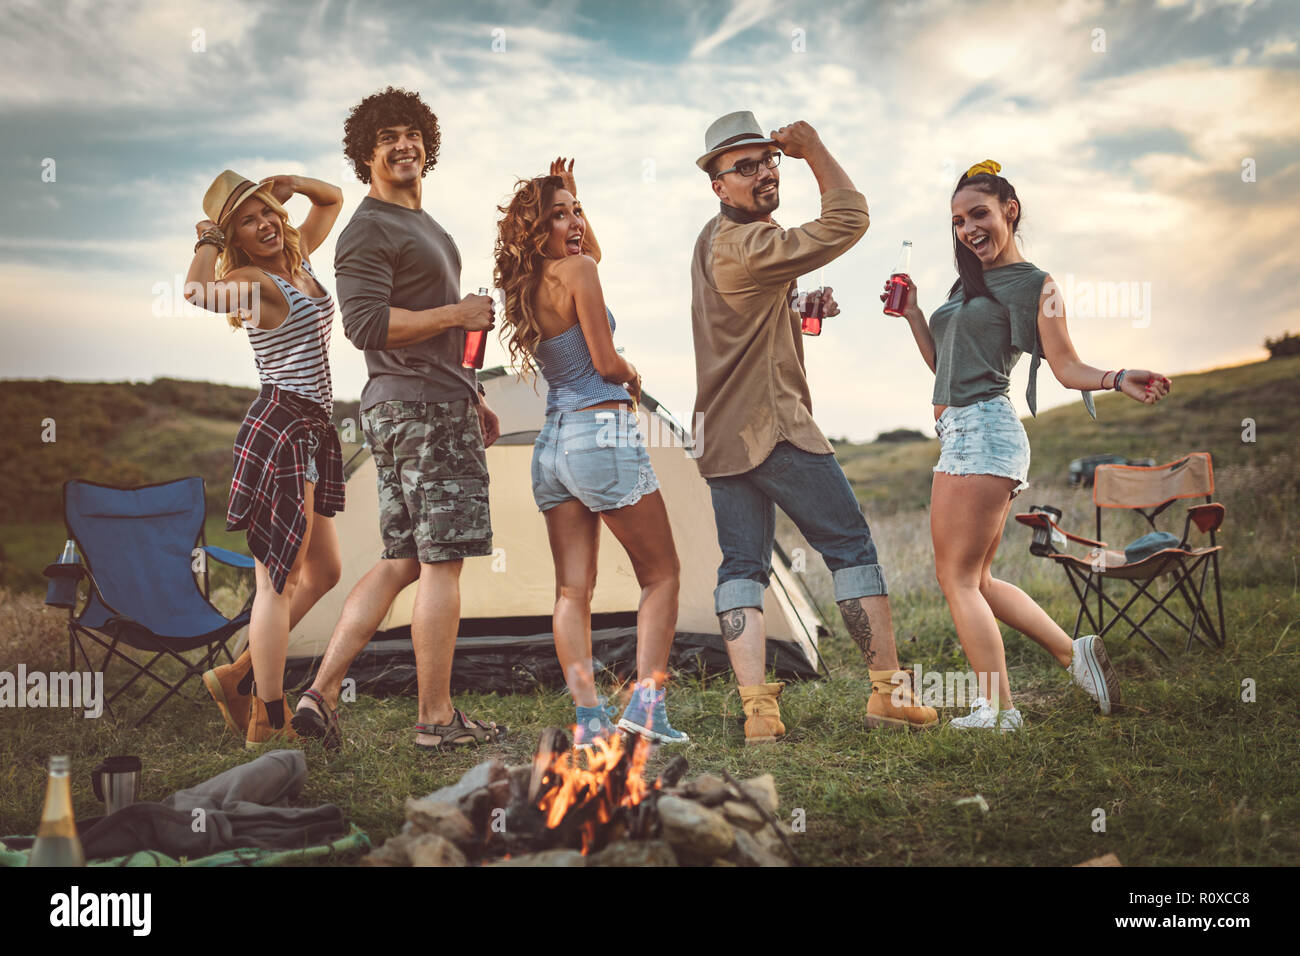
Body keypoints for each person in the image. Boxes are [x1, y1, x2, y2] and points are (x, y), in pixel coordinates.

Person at [888, 159, 1172, 731]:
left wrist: (1116, 377)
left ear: (1009, 211)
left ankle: (999, 711)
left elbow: (1065, 365)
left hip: (983, 432)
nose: (968, 230)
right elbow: (944, 369)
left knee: (957, 581)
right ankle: (1074, 654)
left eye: (979, 215)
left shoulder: (1035, 284)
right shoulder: (966, 285)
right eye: (958, 221)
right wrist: (917, 314)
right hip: (964, 433)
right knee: (980, 580)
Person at [691, 111, 938, 744]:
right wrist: (813, 148)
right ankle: (888, 693)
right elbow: (848, 219)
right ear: (718, 185)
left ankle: (759, 714)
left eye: (767, 159)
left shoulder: (716, 240)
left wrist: (800, 307)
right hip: (774, 428)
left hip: (721, 435)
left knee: (741, 566)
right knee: (850, 545)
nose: (764, 172)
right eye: (743, 167)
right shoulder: (749, 244)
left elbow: (741, 320)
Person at [288, 86, 505, 752]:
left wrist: (471, 392)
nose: (403, 145)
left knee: (402, 559)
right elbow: (366, 326)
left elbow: (433, 331)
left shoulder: (427, 227)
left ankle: (319, 692)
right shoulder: (367, 229)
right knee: (442, 563)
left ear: (427, 145)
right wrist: (457, 315)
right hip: (415, 407)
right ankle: (436, 719)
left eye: (411, 134)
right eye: (387, 139)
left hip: (431, 401)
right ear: (367, 155)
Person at [495, 158, 686, 745]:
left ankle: (589, 720)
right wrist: (633, 371)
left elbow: (587, 251)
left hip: (551, 446)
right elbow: (604, 362)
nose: (575, 224)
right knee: (662, 575)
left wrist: (571, 196)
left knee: (571, 591)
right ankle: (646, 710)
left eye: (576, 213)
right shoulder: (577, 269)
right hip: (600, 431)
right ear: (537, 229)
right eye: (559, 216)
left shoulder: (525, 284)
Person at [187, 171, 345, 747]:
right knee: (279, 578)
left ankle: (235, 674)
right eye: (250, 221)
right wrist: (208, 239)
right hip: (282, 429)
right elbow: (197, 293)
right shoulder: (253, 281)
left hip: (312, 429)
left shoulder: (297, 263)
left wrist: (289, 184)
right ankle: (268, 717)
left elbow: (332, 200)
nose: (267, 224)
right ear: (238, 240)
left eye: (268, 212)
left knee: (323, 571)